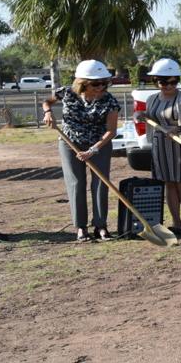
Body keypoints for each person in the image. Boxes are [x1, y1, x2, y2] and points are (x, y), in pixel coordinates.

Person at [40, 60, 121, 242]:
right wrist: (47, 112)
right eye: (95, 83)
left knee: (101, 183)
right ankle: (81, 227)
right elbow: (47, 101)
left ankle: (101, 226)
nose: (100, 87)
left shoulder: (110, 101)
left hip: (99, 145)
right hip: (70, 143)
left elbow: (111, 131)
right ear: (82, 83)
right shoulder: (67, 93)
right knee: (76, 184)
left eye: (104, 83)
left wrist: (93, 150)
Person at [142, 58, 181, 236]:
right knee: (169, 184)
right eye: (163, 82)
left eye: (173, 81)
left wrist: (178, 128)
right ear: (156, 81)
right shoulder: (152, 99)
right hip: (161, 146)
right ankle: (176, 221)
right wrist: (140, 114)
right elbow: (149, 118)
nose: (168, 85)